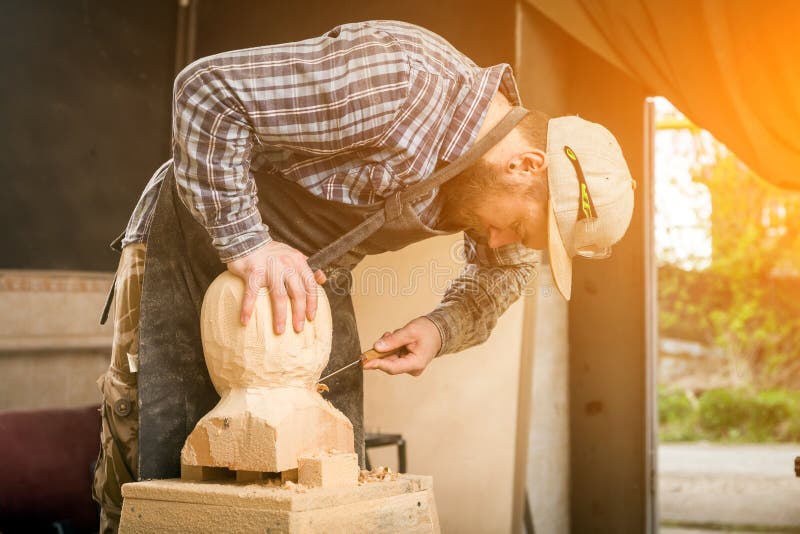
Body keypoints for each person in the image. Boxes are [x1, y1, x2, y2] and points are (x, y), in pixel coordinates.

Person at [91, 19, 635, 532]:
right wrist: (248, 243)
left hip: (311, 282)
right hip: (194, 241)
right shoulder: (401, 84)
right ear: (526, 165)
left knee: (324, 476)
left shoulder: (495, 176)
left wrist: (440, 328)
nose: (497, 242)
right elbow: (207, 92)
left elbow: (502, 275)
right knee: (157, 460)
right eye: (518, 225)